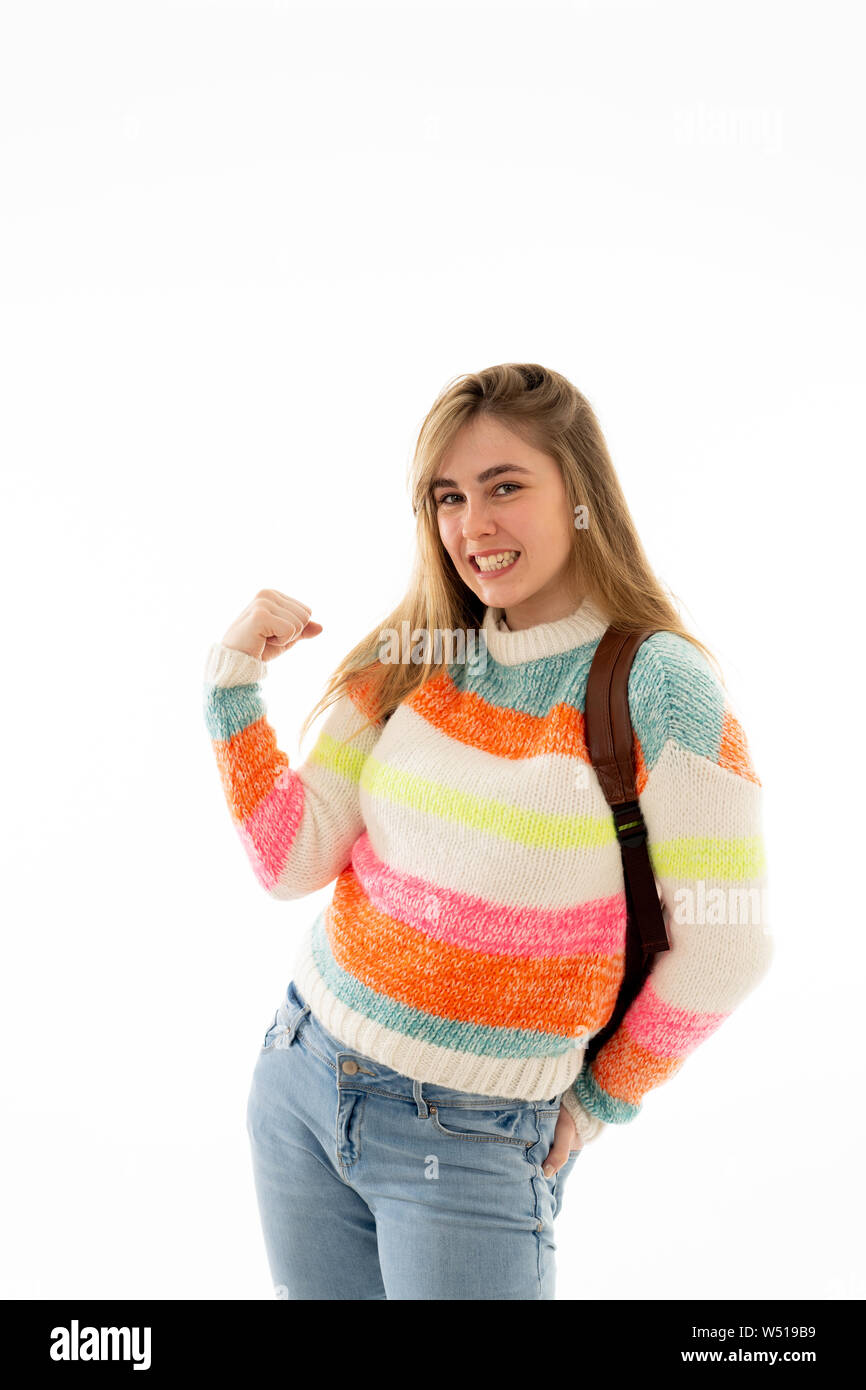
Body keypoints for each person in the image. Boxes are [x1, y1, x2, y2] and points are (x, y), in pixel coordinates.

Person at [202, 361, 773, 1300]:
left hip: (473, 1139)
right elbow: (290, 858)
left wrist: (597, 1101)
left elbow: (729, 942)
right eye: (448, 497)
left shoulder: (657, 684)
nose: (473, 525)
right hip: (300, 1080)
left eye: (506, 486)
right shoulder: (410, 655)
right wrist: (231, 689)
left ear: (580, 493)